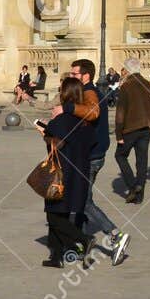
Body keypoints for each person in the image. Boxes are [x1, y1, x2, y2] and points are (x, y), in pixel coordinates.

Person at [68, 59, 130, 266]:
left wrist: (67, 108)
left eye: (75, 74)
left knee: (83, 202)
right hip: (94, 154)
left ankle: (116, 236)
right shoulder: (89, 93)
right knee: (80, 200)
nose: (71, 77)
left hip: (90, 157)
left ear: (86, 76)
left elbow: (91, 113)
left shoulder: (89, 94)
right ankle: (81, 243)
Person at [38, 76, 95, 268]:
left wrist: (44, 132)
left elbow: (55, 146)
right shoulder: (86, 122)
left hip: (61, 174)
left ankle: (84, 240)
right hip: (79, 174)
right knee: (59, 214)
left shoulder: (61, 120)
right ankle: (56, 257)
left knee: (53, 215)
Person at [113, 58, 150, 204]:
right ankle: (139, 196)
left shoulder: (127, 86)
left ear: (127, 70)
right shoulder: (148, 84)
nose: (124, 72)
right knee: (142, 160)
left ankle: (133, 186)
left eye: (124, 70)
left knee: (120, 155)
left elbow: (120, 112)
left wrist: (119, 133)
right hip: (146, 127)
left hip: (130, 128)